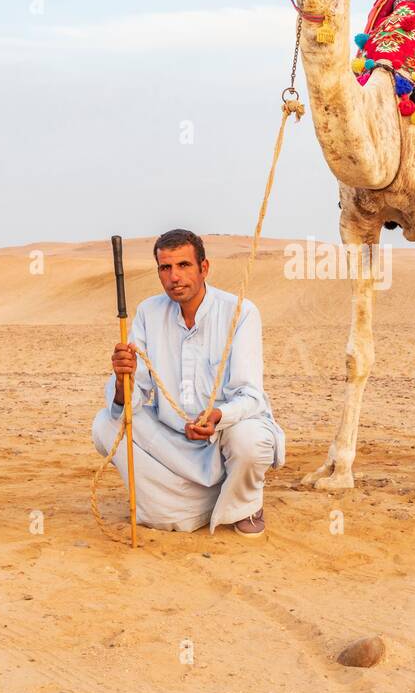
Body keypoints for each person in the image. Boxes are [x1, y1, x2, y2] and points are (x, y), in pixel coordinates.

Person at [91, 228, 284, 537]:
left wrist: (218, 417)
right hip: (172, 439)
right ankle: (201, 501)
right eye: (165, 268)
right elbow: (133, 396)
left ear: (203, 268)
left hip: (221, 436)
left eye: (183, 266)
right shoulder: (147, 313)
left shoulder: (240, 312)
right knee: (105, 425)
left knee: (250, 439)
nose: (174, 277)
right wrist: (120, 378)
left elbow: (250, 395)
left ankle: (245, 503)